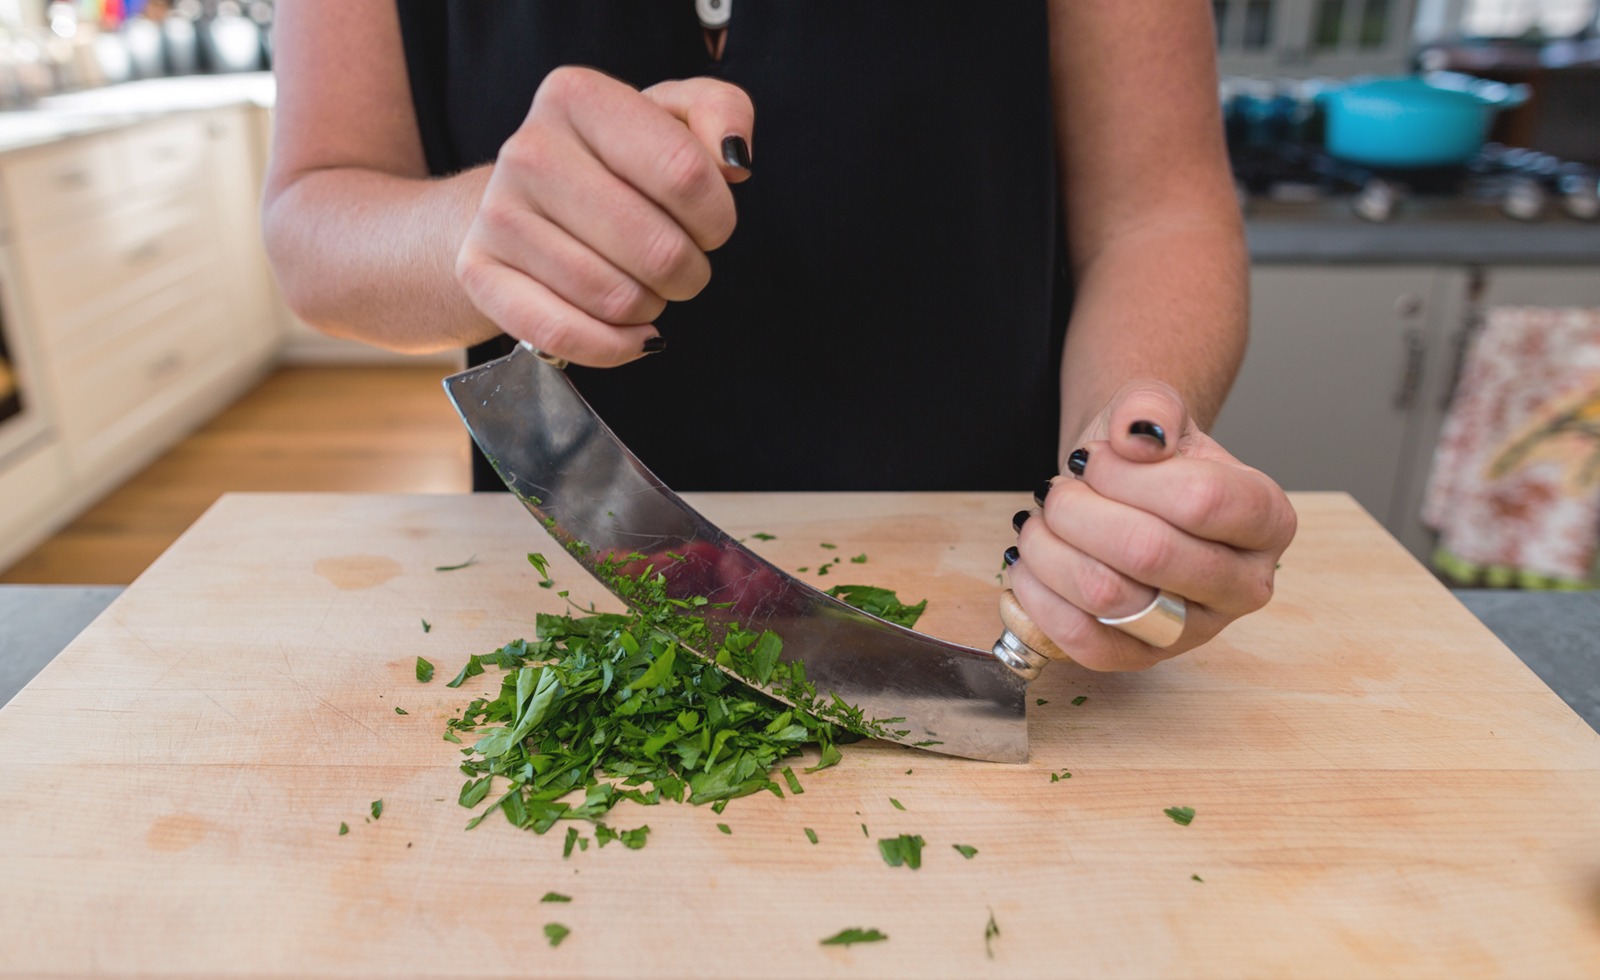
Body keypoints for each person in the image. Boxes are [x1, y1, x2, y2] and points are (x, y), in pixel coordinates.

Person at [262, 1, 1297, 673]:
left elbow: (1156, 213)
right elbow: (310, 225)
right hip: (551, 597)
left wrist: (1124, 472)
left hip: (989, 583)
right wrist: (481, 227)